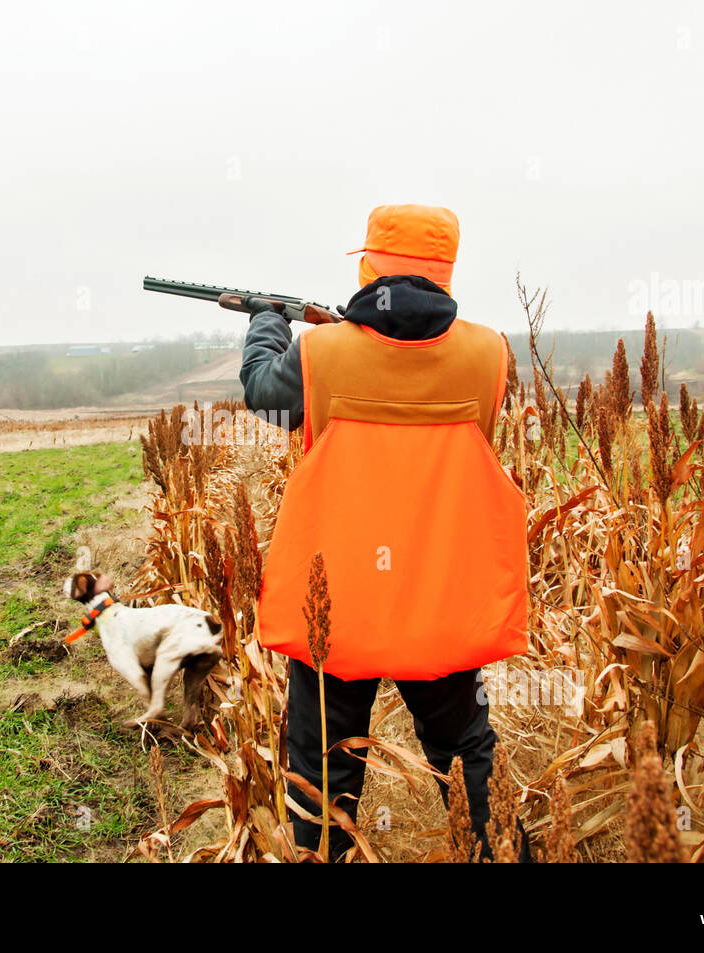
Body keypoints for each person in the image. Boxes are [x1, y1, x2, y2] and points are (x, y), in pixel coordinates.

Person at [240, 204, 531, 861]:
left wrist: (268, 319)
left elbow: (266, 394)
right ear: (446, 272)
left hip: (334, 610)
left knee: (321, 774)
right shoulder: (488, 355)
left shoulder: (321, 353)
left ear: (368, 266)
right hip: (441, 604)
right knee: (468, 760)